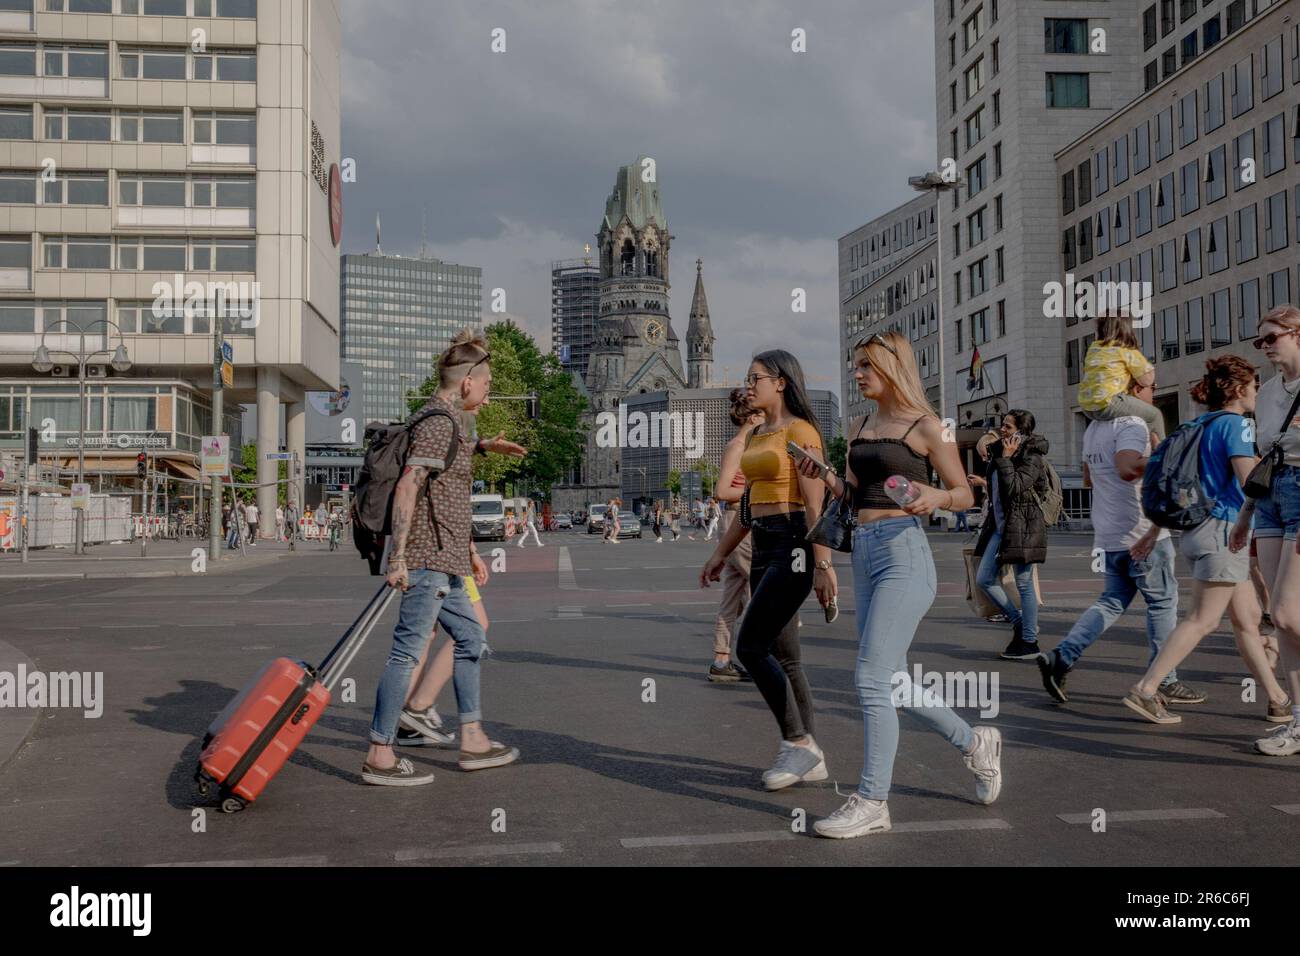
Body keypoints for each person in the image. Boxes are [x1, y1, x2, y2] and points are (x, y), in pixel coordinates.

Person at [793, 330, 996, 838]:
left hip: (905, 554)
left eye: (866, 365)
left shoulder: (929, 427)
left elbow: (963, 495)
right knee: (893, 682)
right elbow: (853, 495)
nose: (857, 373)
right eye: (855, 365)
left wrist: (935, 497)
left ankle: (873, 800)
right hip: (864, 549)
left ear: (891, 367)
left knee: (869, 678)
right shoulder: (858, 425)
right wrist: (821, 476)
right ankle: (975, 744)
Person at [362, 329, 525, 785]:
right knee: (407, 652)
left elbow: (442, 482)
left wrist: (468, 548)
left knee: (471, 639)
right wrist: (397, 559)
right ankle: (380, 752)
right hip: (427, 560)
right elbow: (410, 484)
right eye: (488, 385)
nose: (489, 396)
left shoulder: (448, 424)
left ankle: (472, 738)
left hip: (447, 559)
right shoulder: (438, 422)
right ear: (468, 380)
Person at [1124, 355, 1290, 725]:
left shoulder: (1199, 424)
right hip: (1224, 531)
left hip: (1198, 531)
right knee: (1202, 620)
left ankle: (1278, 700)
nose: (1257, 391)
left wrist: (1155, 530)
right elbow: (1250, 482)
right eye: (1254, 385)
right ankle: (1147, 689)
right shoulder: (1237, 425)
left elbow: (1186, 485)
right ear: (1238, 389)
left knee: (1248, 621)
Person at [700, 350, 835, 791]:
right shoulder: (758, 434)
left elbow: (816, 504)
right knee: (787, 657)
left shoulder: (801, 431)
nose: (748, 383)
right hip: (761, 541)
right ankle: (810, 755)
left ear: (780, 382)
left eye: (755, 377)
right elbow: (745, 505)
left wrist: (823, 565)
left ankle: (797, 742)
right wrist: (720, 553)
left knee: (751, 646)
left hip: (793, 542)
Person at [1036, 374, 1201, 704]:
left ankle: (1062, 657)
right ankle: (1164, 678)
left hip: (1109, 530)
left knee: (1112, 600)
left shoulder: (1094, 428)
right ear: (1135, 390)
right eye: (1151, 387)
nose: (1153, 395)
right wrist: (1165, 455)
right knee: (1162, 603)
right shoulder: (1133, 424)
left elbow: (1087, 479)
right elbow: (1127, 469)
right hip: (1141, 529)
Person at [1236, 305, 1300, 754]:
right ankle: (1299, 721)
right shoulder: (1268, 393)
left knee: (1285, 613)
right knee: (1285, 625)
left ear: (1297, 334)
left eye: (1271, 338)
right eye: (1260, 341)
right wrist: (1244, 518)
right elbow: (1263, 458)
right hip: (1270, 497)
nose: (1264, 347)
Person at [972, 409, 1050, 659]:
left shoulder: (1032, 456)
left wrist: (1005, 458)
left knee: (1024, 584)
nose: (1002, 429)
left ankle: (1029, 641)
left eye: (1007, 426)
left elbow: (1015, 486)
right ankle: (1020, 624)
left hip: (1024, 525)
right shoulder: (1000, 453)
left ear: (1021, 431)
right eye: (1003, 425)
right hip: (1001, 527)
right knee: (984, 578)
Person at [397, 573, 491, 748]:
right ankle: (419, 707)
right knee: (474, 626)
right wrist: (472, 552)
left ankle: (407, 724)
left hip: (424, 560)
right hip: (447, 560)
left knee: (423, 632)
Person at [1078, 313, 1164, 443]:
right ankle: (1161, 453)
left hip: (1087, 406)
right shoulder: (1125, 350)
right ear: (1127, 329)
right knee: (1154, 415)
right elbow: (1147, 380)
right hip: (1108, 402)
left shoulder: (1094, 349)